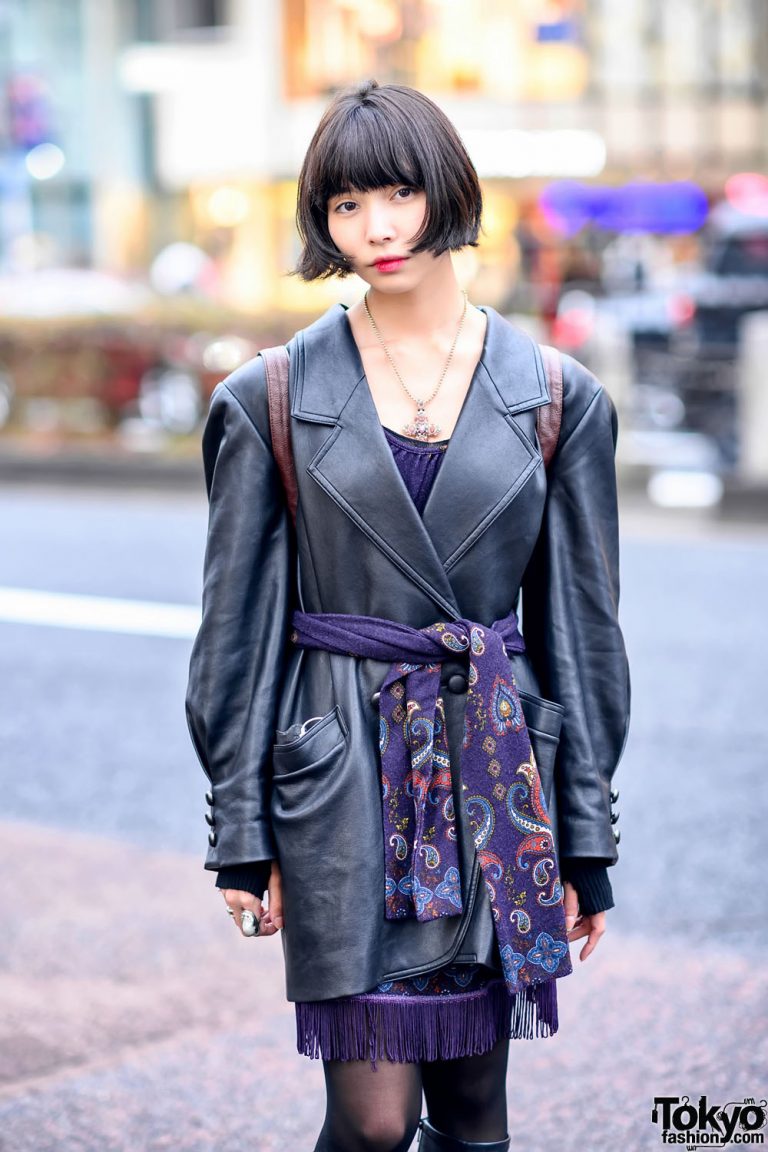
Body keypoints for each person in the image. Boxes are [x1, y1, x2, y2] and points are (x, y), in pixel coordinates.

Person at [185, 80, 630, 1152]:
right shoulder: (271, 398)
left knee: (476, 1115)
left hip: (495, 777)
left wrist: (587, 840)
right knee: (375, 1122)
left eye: (395, 192)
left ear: (447, 194)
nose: (375, 227)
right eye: (343, 204)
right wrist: (241, 838)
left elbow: (582, 639)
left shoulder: (560, 397)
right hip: (340, 783)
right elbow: (233, 646)